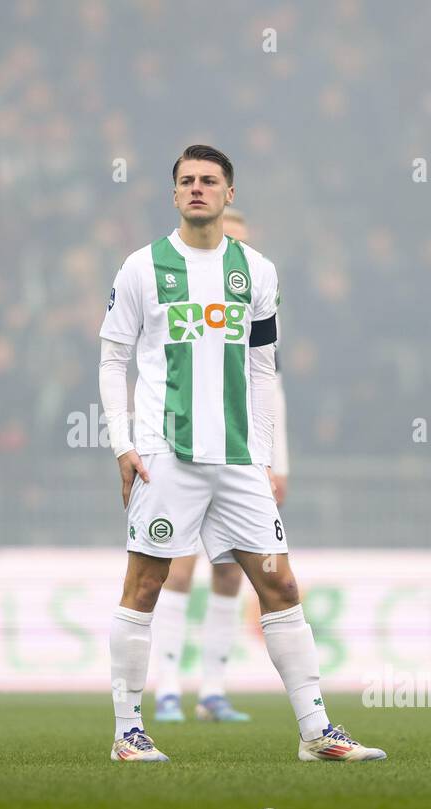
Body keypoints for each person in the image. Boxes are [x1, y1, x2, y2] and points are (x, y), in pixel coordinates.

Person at [98, 144, 386, 763]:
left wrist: (260, 452)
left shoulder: (257, 271)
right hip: (164, 454)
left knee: (279, 585)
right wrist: (122, 444)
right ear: (174, 194)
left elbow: (261, 371)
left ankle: (316, 732)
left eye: (209, 181)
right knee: (146, 583)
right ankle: (127, 731)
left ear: (230, 194)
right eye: (186, 181)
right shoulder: (141, 269)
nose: (197, 189)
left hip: (236, 460)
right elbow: (112, 360)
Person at [148, 207, 291, 724]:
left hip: (240, 456)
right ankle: (166, 687)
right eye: (233, 237)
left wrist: (276, 461)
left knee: (232, 575)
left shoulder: (255, 285)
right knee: (177, 569)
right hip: (185, 453)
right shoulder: (175, 285)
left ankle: (211, 690)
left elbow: (267, 384)